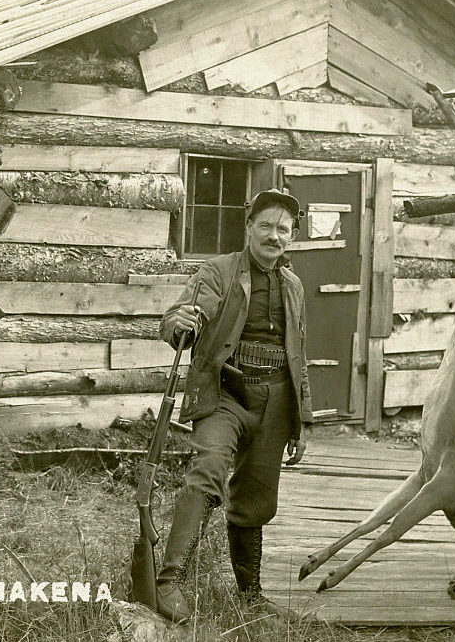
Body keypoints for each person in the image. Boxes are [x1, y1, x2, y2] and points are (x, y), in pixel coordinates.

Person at [154, 188, 313, 623]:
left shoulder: (294, 286)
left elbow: (300, 354)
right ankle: (168, 583)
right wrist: (180, 322)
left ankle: (250, 595)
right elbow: (183, 315)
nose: (273, 236)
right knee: (208, 470)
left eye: (283, 229)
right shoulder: (219, 272)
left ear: (292, 237)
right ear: (248, 229)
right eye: (265, 226)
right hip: (225, 394)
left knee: (256, 499)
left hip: (276, 400)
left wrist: (303, 418)